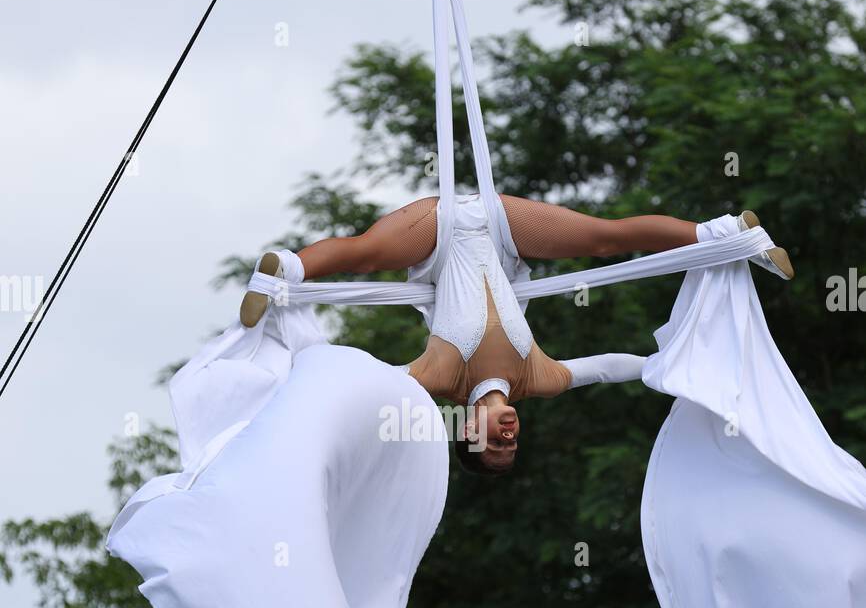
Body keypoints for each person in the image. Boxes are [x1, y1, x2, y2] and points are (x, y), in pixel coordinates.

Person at [239, 193, 793, 474]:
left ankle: (283, 271)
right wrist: (673, 374)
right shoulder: (538, 378)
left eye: (494, 444)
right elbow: (608, 366)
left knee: (364, 254)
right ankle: (725, 236)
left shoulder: (438, 379)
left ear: (465, 431)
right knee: (604, 239)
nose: (509, 437)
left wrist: (289, 386)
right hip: (504, 233)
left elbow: (353, 380)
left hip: (435, 236)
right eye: (513, 445)